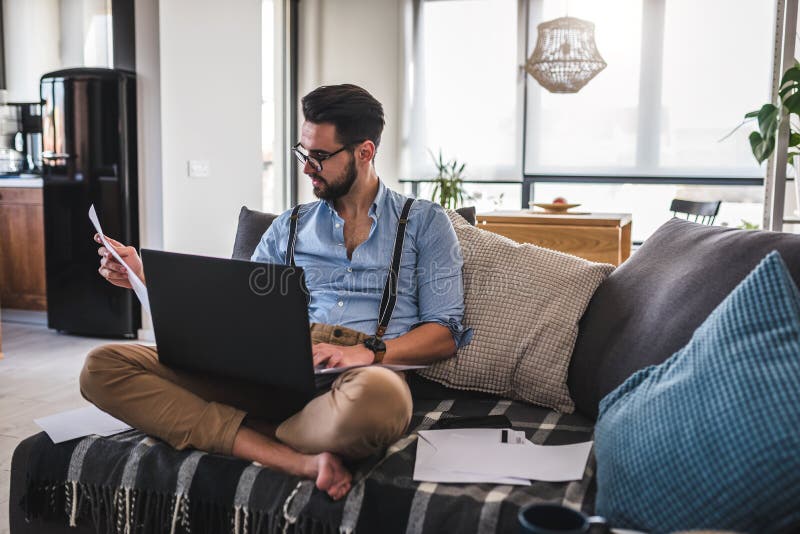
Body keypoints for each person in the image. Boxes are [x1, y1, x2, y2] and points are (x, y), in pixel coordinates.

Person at [80, 84, 471, 501]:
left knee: (377, 401)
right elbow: (235, 310)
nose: (307, 168)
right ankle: (288, 454)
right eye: (303, 154)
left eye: (319, 156)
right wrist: (144, 277)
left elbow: (445, 332)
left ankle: (242, 429)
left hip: (363, 376)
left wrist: (368, 353)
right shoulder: (287, 226)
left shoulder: (426, 222)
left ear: (365, 152)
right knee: (102, 366)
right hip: (274, 371)